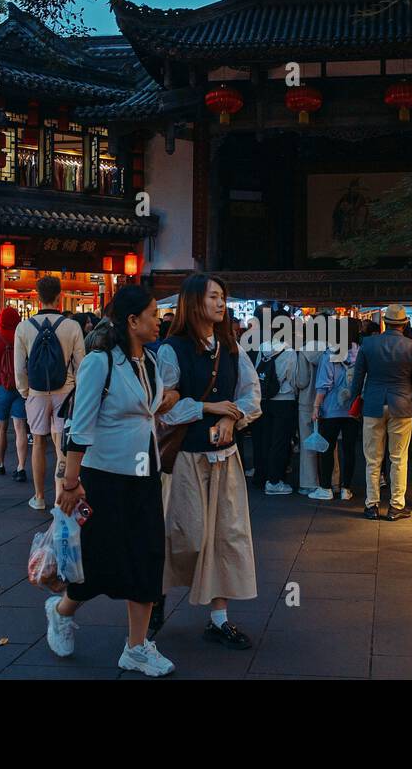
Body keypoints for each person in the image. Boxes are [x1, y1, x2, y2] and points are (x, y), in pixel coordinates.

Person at [46, 285, 180, 676]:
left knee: (148, 557)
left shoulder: (150, 362)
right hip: (102, 478)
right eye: (153, 314)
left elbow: (148, 410)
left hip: (145, 474)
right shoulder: (99, 363)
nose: (159, 320)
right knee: (96, 560)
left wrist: (171, 401)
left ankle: (136, 647)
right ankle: (62, 611)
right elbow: (80, 426)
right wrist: (71, 483)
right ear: (132, 321)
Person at [158, 273, 261, 650]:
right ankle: (155, 594)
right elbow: (162, 409)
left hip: (226, 459)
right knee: (186, 535)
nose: (221, 303)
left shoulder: (231, 347)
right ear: (194, 302)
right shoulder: (172, 350)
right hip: (187, 459)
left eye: (222, 297)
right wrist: (207, 407)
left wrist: (232, 417)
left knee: (227, 538)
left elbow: (251, 395)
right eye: (213, 296)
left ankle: (219, 619)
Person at [350, 304, 412, 521]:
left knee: (372, 458)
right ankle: (396, 506)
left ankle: (371, 505)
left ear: (385, 322)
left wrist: (353, 402)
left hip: (373, 404)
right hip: (401, 405)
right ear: (404, 324)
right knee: (398, 458)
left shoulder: (368, 344)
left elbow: (357, 378)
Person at [15, 276, 85, 511]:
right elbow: (81, 364)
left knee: (37, 442)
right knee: (61, 445)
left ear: (37, 297)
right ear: (59, 296)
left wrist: (25, 391)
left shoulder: (24, 327)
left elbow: (19, 367)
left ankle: (38, 497)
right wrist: (77, 390)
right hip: (65, 391)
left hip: (36, 392)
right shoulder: (72, 326)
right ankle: (59, 496)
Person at [310, 318, 361, 501]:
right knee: (349, 450)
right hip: (353, 409)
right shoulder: (360, 353)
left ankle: (326, 488)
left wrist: (316, 407)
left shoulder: (329, 354)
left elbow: (323, 385)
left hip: (330, 409)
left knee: (327, 449)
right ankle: (346, 489)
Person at [254, 309, 297, 495]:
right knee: (280, 442)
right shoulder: (289, 352)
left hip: (264, 400)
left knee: (265, 439)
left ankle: (262, 476)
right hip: (284, 400)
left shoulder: (263, 348)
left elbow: (256, 372)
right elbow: (293, 379)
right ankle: (274, 481)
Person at [294, 308, 337, 496]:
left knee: (307, 444)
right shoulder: (336, 350)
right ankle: (333, 481)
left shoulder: (305, 350)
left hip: (307, 402)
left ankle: (309, 482)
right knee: (330, 445)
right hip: (329, 403)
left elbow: (302, 381)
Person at [0, 306, 28, 483]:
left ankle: (0, 463)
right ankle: (21, 467)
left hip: (1, 387)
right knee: (20, 428)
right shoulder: (23, 335)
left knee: (1, 428)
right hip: (21, 386)